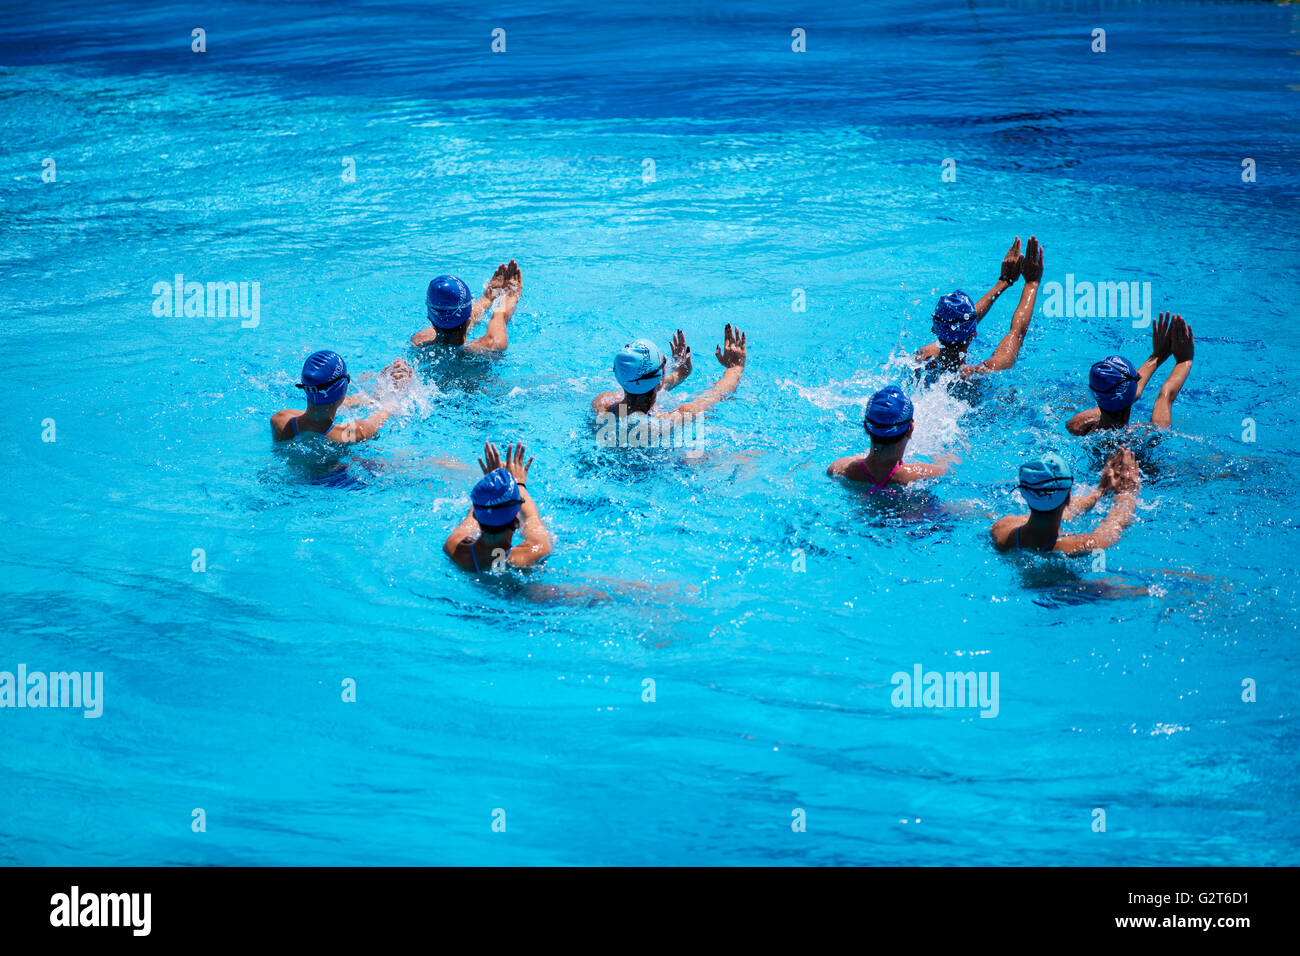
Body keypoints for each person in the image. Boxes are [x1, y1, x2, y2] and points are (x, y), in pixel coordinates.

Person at [590, 324, 748, 445]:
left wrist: (680, 375)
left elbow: (638, 385)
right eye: (664, 362)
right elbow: (718, 394)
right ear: (660, 379)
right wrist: (735, 367)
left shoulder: (601, 404)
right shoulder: (668, 421)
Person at [913, 236, 1044, 378]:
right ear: (973, 334)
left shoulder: (922, 359)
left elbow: (956, 324)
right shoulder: (979, 373)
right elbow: (1017, 333)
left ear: (934, 329)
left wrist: (1003, 282)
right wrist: (1032, 283)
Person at [990, 448, 1140, 554]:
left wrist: (1099, 492)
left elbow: (1051, 509)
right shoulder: (1079, 546)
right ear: (1069, 495)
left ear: (1024, 494)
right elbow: (1114, 524)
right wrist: (1126, 493)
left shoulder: (1002, 529)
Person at [1067, 311, 1195, 434]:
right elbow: (1165, 397)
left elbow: (1116, 399)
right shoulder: (1148, 437)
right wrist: (1185, 360)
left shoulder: (1077, 425)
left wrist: (1157, 356)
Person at [444, 442, 552, 572]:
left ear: (475, 517)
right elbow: (532, 520)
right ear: (517, 522)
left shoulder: (454, 549)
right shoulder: (530, 554)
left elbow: (476, 513)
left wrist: (491, 484)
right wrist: (519, 483)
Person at [827, 385, 955, 488]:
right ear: (910, 429)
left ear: (866, 428)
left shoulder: (839, 469)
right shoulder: (922, 475)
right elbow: (949, 467)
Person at [271, 350, 411, 442]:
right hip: (336, 483)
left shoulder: (280, 420)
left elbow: (319, 409)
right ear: (343, 388)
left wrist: (373, 395)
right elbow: (386, 410)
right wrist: (395, 392)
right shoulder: (351, 434)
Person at [411, 260, 522, 353]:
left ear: (430, 318)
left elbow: (450, 321)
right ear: (469, 318)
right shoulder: (486, 349)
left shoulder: (418, 343)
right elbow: (501, 314)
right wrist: (512, 294)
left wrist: (487, 299)